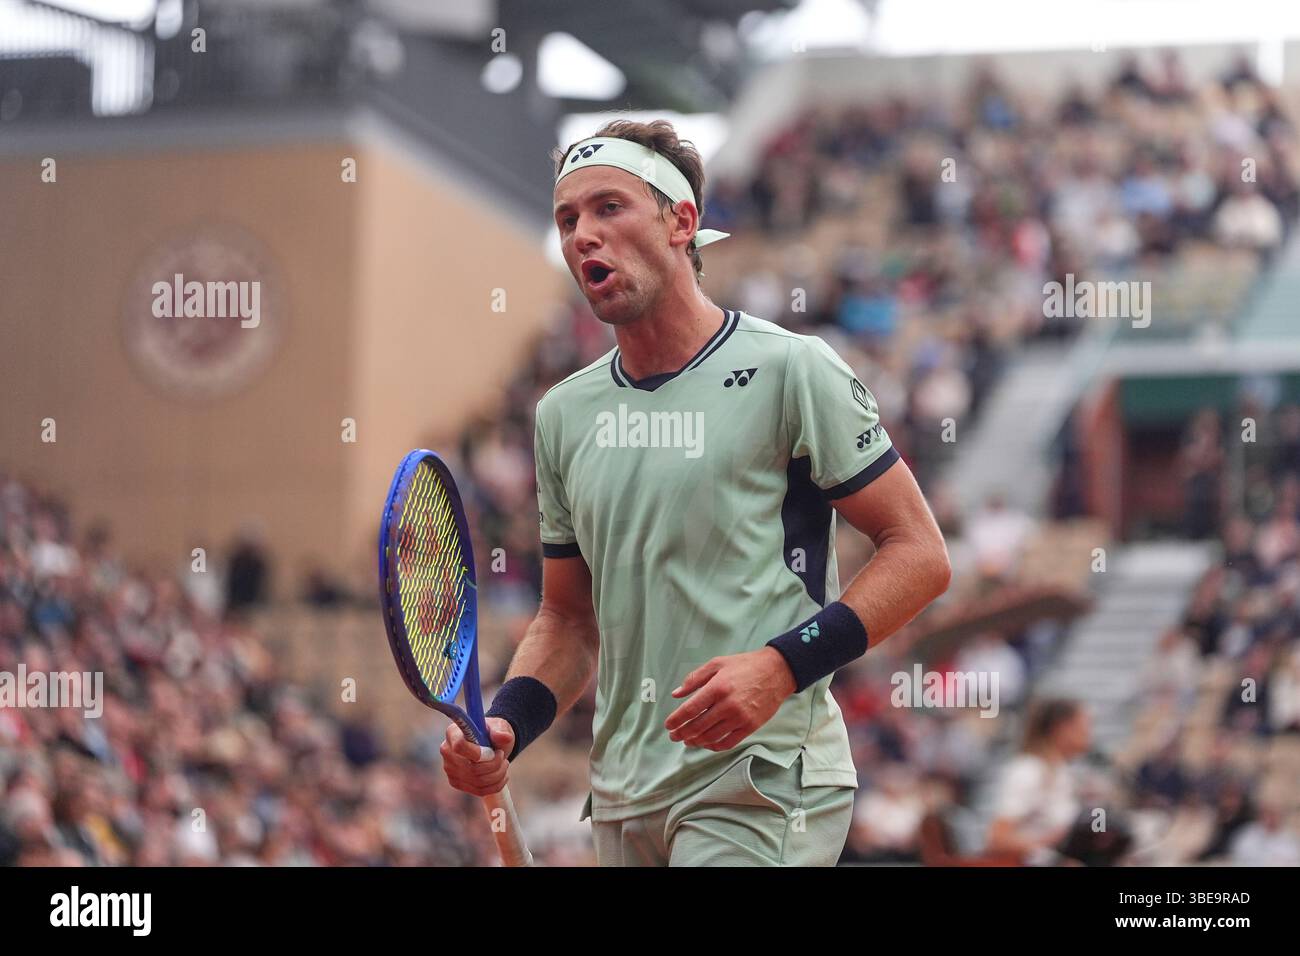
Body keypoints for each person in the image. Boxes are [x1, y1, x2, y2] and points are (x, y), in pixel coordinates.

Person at [439, 118, 951, 867]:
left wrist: (781, 667)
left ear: (682, 223)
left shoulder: (793, 370)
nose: (583, 234)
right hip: (621, 797)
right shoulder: (561, 415)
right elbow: (568, 616)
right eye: (568, 219)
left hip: (763, 780)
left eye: (609, 207)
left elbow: (921, 555)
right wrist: (511, 719)